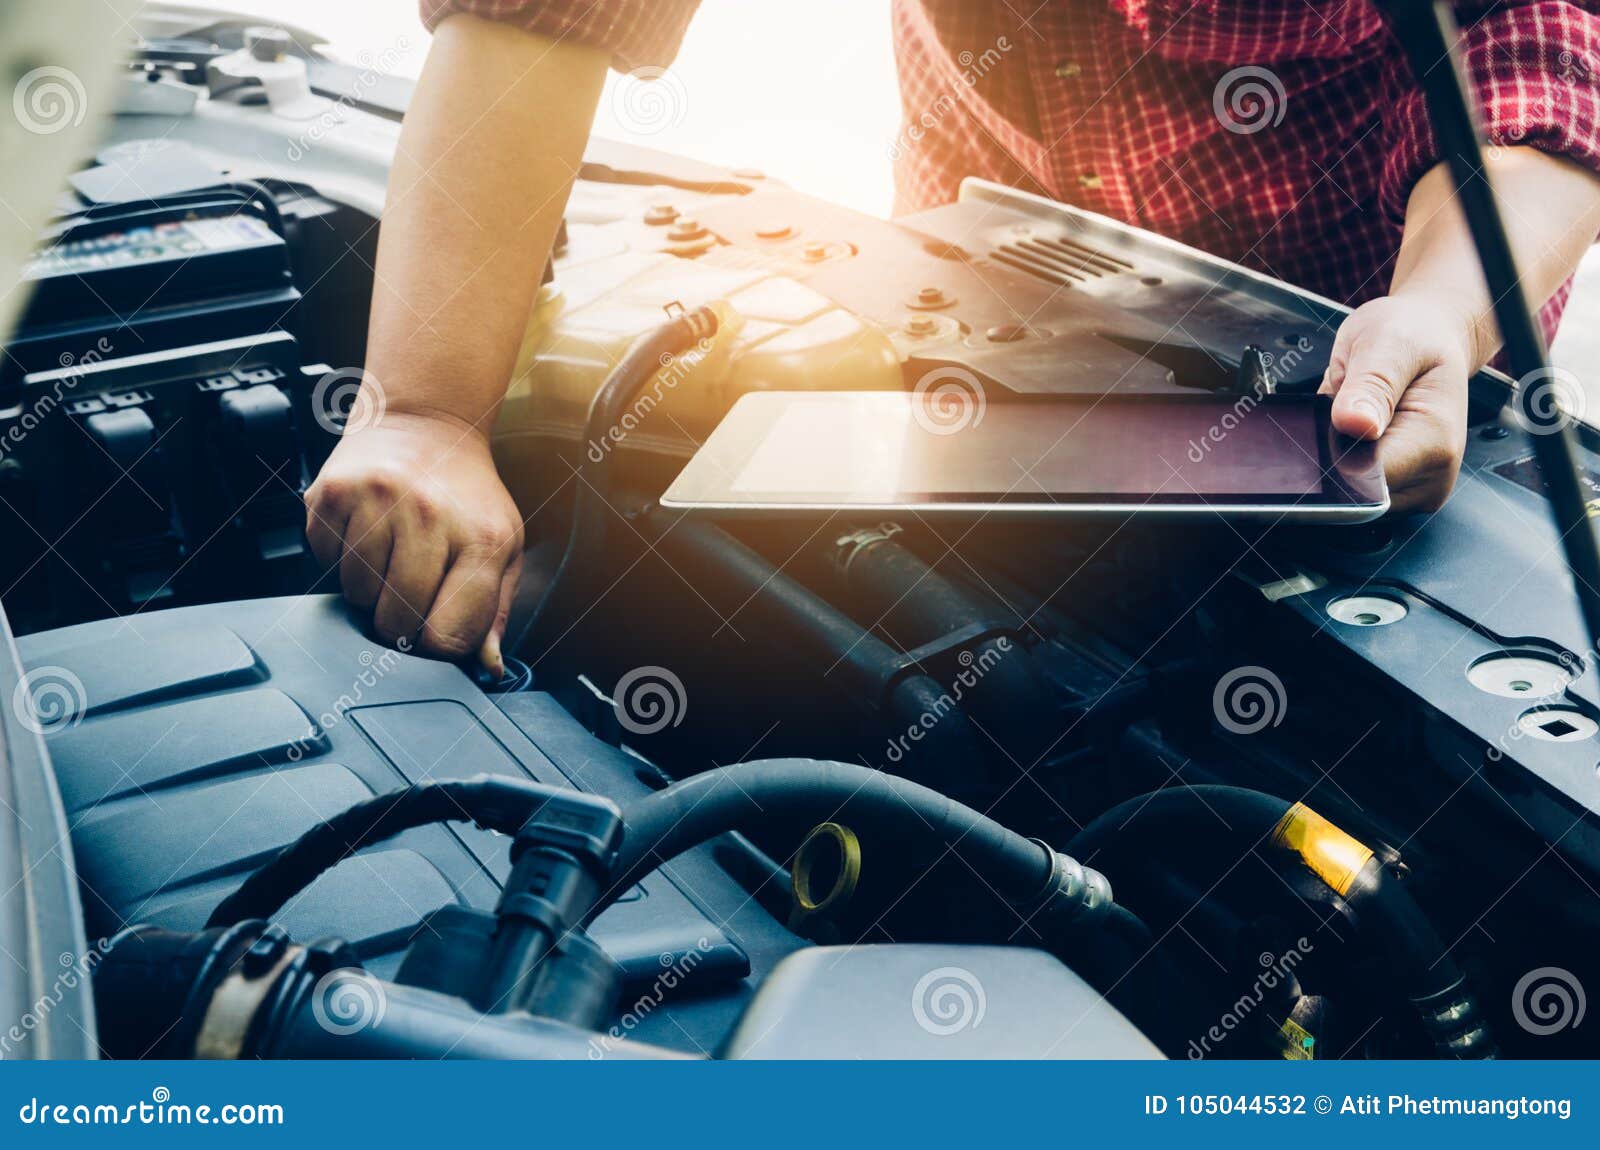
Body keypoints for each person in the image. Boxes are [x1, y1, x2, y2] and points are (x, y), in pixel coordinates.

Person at [306, 0, 1600, 669]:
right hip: (991, 277)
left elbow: (1539, 43)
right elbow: (547, 9)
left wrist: (1444, 306)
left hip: (1354, 359)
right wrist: (427, 412)